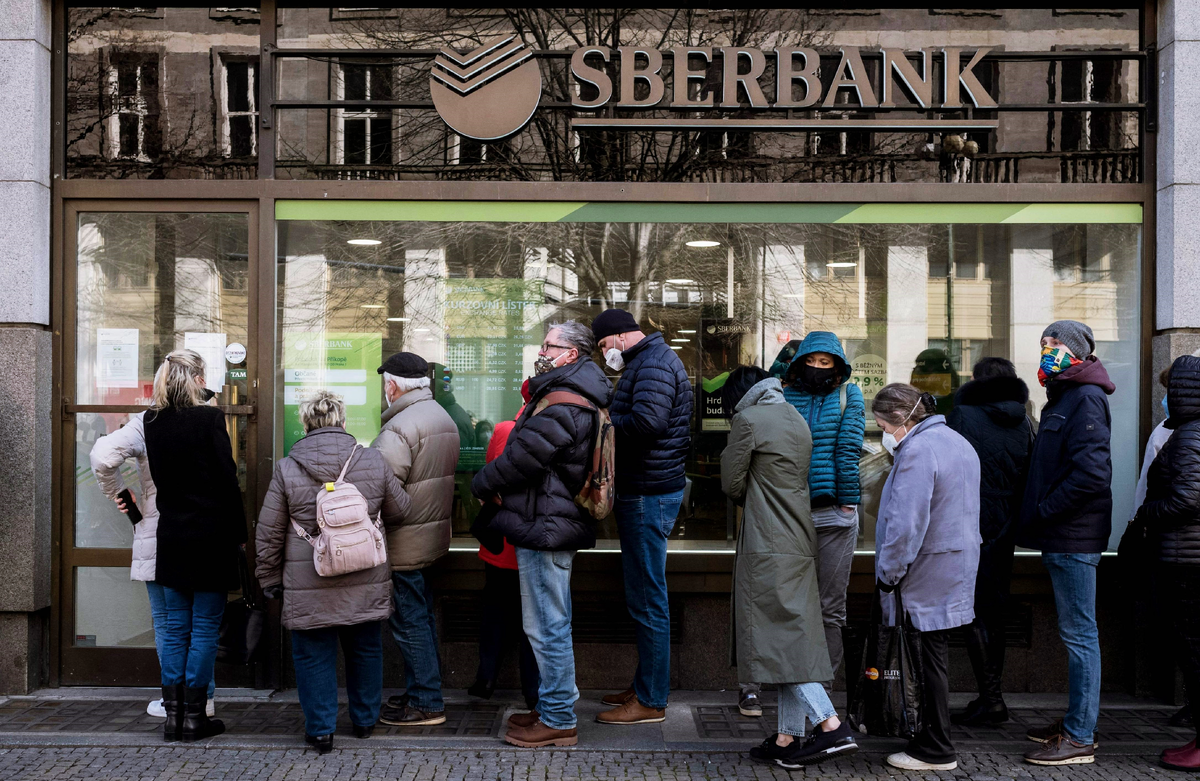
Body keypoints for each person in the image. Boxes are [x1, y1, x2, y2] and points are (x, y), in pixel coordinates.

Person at [471, 321, 613, 748]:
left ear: (570, 354)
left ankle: (557, 717)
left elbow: (522, 458)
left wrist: (481, 483)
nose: (542, 350)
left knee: (546, 625)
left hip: (545, 526)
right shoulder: (572, 392)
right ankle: (554, 704)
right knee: (551, 622)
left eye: (549, 345)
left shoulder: (562, 402)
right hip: (547, 522)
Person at [255, 391, 411, 754]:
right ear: (343, 422)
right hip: (365, 575)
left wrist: (268, 579)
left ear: (306, 424)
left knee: (312, 654)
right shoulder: (371, 460)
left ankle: (322, 730)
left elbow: (270, 531)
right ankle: (364, 722)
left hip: (307, 579)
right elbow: (401, 510)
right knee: (366, 650)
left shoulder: (287, 467)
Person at [720, 366, 860, 770]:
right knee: (788, 637)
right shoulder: (795, 417)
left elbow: (731, 484)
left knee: (777, 641)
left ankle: (830, 724)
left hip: (767, 542)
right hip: (800, 540)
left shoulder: (748, 419)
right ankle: (788, 738)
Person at [1017, 320, 1115, 766]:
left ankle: (1080, 737)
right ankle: (1075, 723)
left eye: (1055, 343)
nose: (1047, 348)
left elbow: (1092, 475)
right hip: (1062, 535)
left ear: (1077, 351)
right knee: (1075, 634)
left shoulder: (1086, 398)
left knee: (1080, 636)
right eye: (1043, 343)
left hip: (1074, 536)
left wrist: (1045, 509)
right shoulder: (1064, 397)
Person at [90, 392, 221, 723]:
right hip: (202, 534)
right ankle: (200, 701)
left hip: (157, 533)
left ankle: (176, 703)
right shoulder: (208, 422)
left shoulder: (148, 422)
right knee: (201, 622)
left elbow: (103, 455)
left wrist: (121, 494)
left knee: (168, 623)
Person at [136, 349, 245, 742]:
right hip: (210, 538)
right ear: (198, 378)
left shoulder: (151, 421)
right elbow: (227, 481)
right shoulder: (209, 418)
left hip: (172, 537)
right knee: (203, 630)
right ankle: (196, 718)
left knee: (177, 628)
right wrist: (240, 535)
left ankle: (173, 718)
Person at [591, 308, 693, 725]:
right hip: (649, 489)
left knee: (648, 598)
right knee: (643, 595)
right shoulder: (650, 360)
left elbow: (649, 423)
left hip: (649, 492)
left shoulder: (653, 363)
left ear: (618, 336)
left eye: (602, 345)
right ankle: (645, 685)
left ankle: (651, 700)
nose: (603, 354)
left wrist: (606, 421)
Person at [872, 383, 981, 772]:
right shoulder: (956, 441)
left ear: (901, 420)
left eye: (883, 424)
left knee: (924, 659)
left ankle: (935, 746)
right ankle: (931, 738)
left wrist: (888, 574)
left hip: (924, 571)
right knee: (933, 657)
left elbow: (906, 524)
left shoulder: (918, 450)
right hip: (953, 565)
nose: (883, 433)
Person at [767, 331, 865, 718]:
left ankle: (820, 692)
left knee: (829, 609)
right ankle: (787, 687)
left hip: (833, 514)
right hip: (789, 512)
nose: (818, 368)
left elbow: (848, 448)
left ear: (838, 366)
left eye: (827, 363)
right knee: (786, 604)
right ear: (800, 361)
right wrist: (785, 356)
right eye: (812, 360)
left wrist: (847, 504)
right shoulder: (783, 393)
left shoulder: (848, 395)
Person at [371, 352, 460, 727]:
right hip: (430, 537)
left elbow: (380, 489)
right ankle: (422, 690)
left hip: (405, 541)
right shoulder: (441, 416)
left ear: (392, 385)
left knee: (410, 623)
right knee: (420, 618)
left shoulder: (399, 428)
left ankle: (426, 701)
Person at [946, 357, 1033, 726]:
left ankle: (992, 698)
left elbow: (948, 469)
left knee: (972, 610)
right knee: (993, 609)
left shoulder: (964, 415)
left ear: (977, 381)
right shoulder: (1027, 421)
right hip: (1007, 525)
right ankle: (990, 696)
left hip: (971, 520)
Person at [1135, 355, 1200, 771]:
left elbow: (1188, 498)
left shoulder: (1191, 435)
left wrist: (1147, 514)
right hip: (1187, 556)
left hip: (1186, 561)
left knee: (1194, 650)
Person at [469, 381, 540, 709]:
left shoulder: (502, 431)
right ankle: (532, 691)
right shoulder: (551, 432)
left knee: (495, 611)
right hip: (534, 540)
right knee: (535, 621)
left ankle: (486, 677)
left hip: (500, 542)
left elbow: (488, 478)